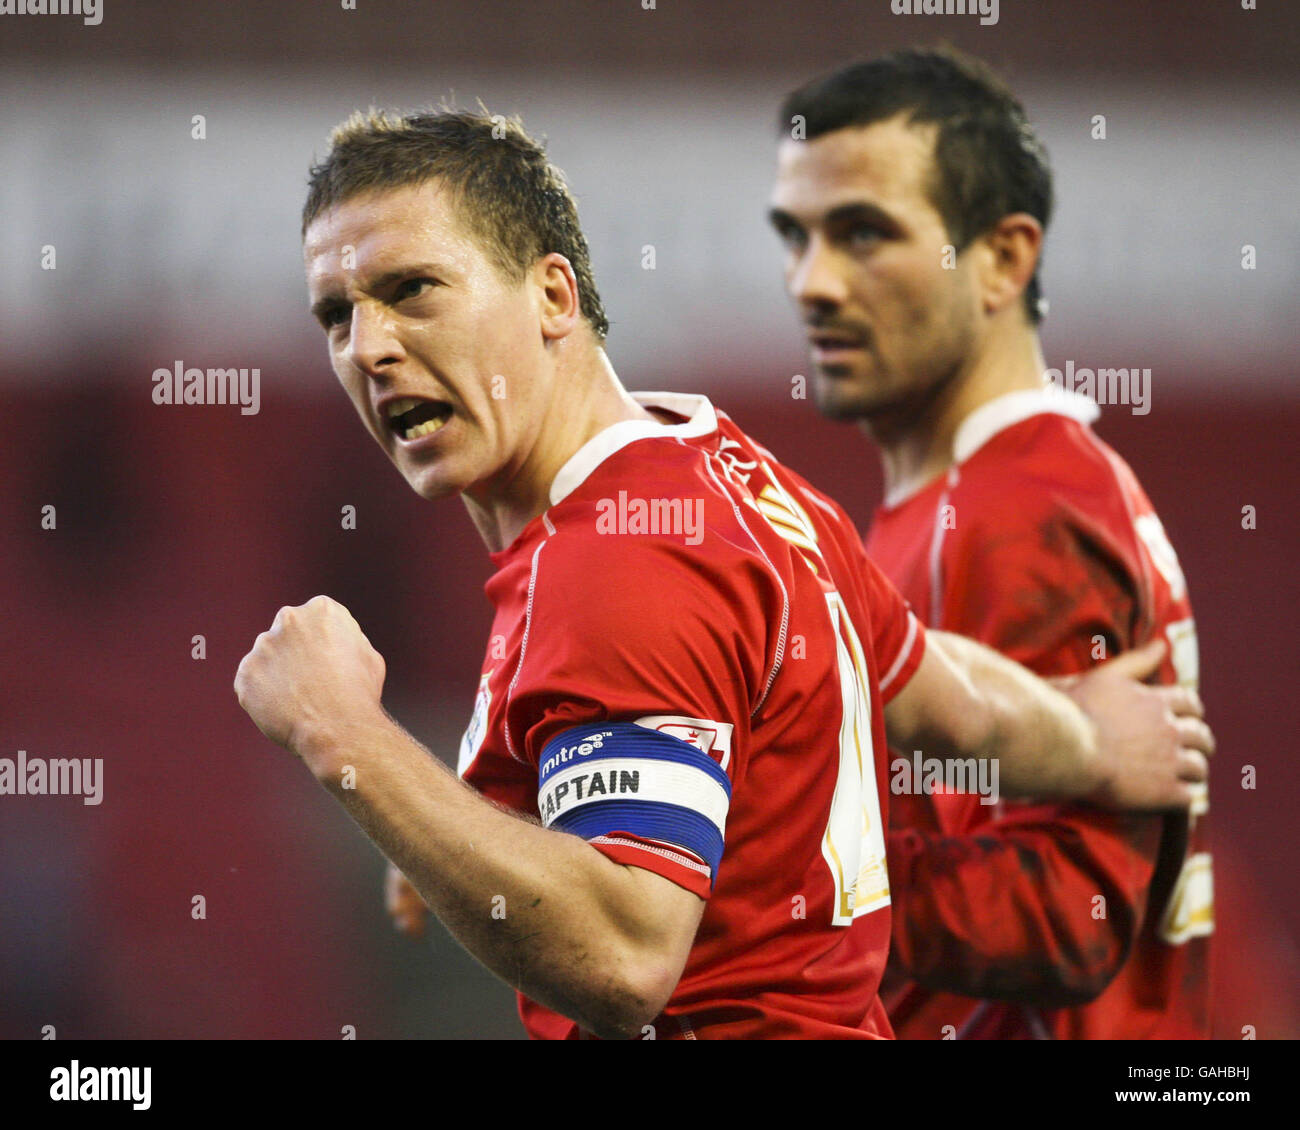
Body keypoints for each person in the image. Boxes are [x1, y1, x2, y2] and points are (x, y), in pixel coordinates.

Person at [234, 108, 1211, 1040]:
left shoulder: (619, 556)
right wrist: (1085, 738)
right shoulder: (729, 469)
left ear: (553, 296)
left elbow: (623, 950)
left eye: (412, 289)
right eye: (336, 314)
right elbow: (947, 700)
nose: (369, 347)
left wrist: (343, 733)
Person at [769, 48, 1212, 1038]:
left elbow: (1068, 917)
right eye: (793, 236)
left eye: (862, 234)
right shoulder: (971, 499)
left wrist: (767, 873)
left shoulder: (1018, 511)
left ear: (1004, 259)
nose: (812, 282)